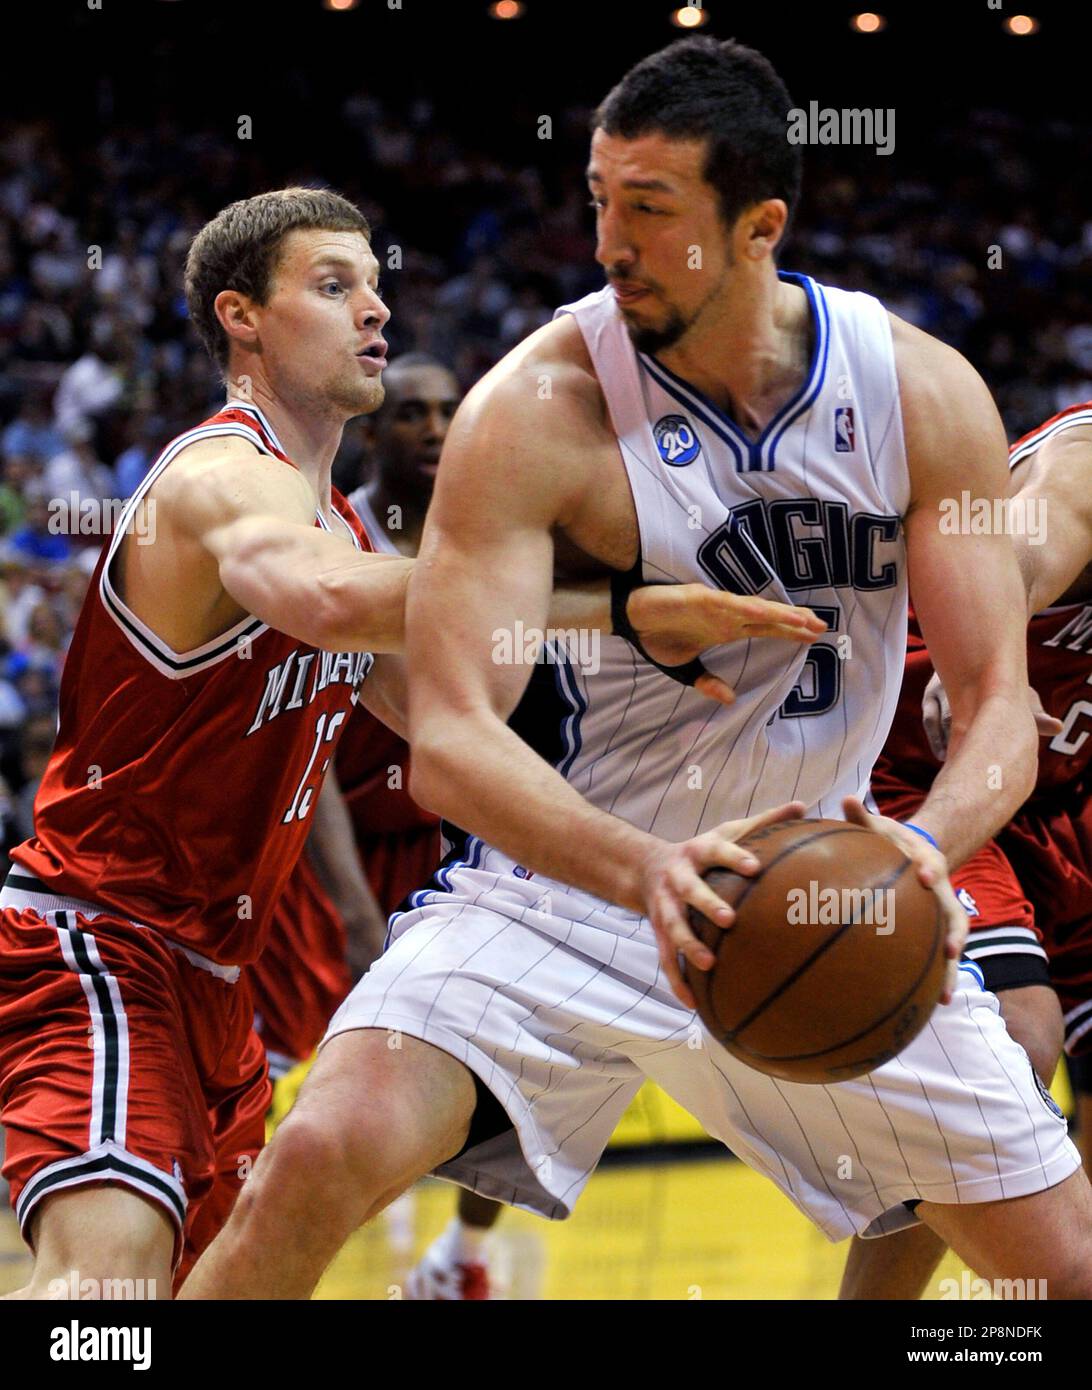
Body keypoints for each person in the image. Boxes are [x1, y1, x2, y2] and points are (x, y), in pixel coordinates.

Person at [181, 39, 1092, 1302]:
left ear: (760, 223)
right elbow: (450, 736)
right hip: (569, 885)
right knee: (320, 1150)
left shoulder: (921, 395)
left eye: (650, 212)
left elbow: (1000, 708)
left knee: (1063, 1276)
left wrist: (919, 855)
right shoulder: (535, 407)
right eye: (599, 200)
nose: (610, 241)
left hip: (813, 883)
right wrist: (648, 872)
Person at [0, 183, 811, 1301]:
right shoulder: (217, 476)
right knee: (105, 1290)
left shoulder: (338, 521)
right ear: (241, 316)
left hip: (220, 983)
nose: (376, 311)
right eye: (334, 288)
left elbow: (449, 727)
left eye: (378, 288)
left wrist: (664, 847)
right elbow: (327, 600)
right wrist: (619, 601)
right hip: (103, 941)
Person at [841, 399, 1092, 1298]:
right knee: (1016, 1041)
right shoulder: (1085, 459)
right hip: (942, 766)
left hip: (1070, 795)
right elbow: (1025, 546)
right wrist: (987, 661)